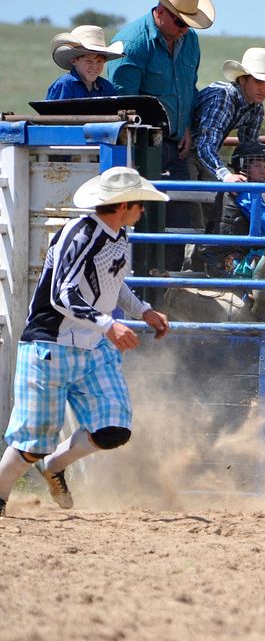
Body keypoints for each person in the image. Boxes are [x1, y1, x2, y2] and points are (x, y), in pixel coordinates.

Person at [0, 167, 170, 518]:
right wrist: (110, 325)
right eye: (140, 203)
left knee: (113, 430)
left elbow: (112, 283)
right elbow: (63, 294)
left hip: (93, 347)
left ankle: (54, 466)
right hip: (51, 344)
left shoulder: (119, 235)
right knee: (31, 444)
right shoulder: (79, 234)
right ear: (123, 204)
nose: (143, 210)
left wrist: (143, 310)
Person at [107, 0, 215, 270]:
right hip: (142, 147)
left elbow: (189, 87)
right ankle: (142, 285)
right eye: (180, 22)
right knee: (141, 219)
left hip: (176, 144)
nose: (184, 29)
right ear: (162, 11)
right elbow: (121, 103)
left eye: (188, 24)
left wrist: (188, 125)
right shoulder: (133, 43)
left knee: (182, 222)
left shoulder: (189, 41)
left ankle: (169, 290)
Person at [192, 47, 265, 183]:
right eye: (258, 81)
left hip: (207, 154)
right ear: (242, 80)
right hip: (183, 151)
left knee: (215, 199)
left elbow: (250, 147)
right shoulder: (222, 97)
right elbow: (205, 145)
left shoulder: (256, 107)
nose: (263, 89)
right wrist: (227, 175)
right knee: (189, 201)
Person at [199, 142, 265, 279]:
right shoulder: (243, 189)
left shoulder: (248, 190)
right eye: (256, 166)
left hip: (223, 255)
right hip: (225, 258)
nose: (263, 171)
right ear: (242, 165)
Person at [46, 25, 124, 100]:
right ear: (74, 61)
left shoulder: (106, 87)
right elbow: (53, 113)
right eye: (89, 61)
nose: (95, 66)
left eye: (99, 61)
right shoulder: (64, 85)